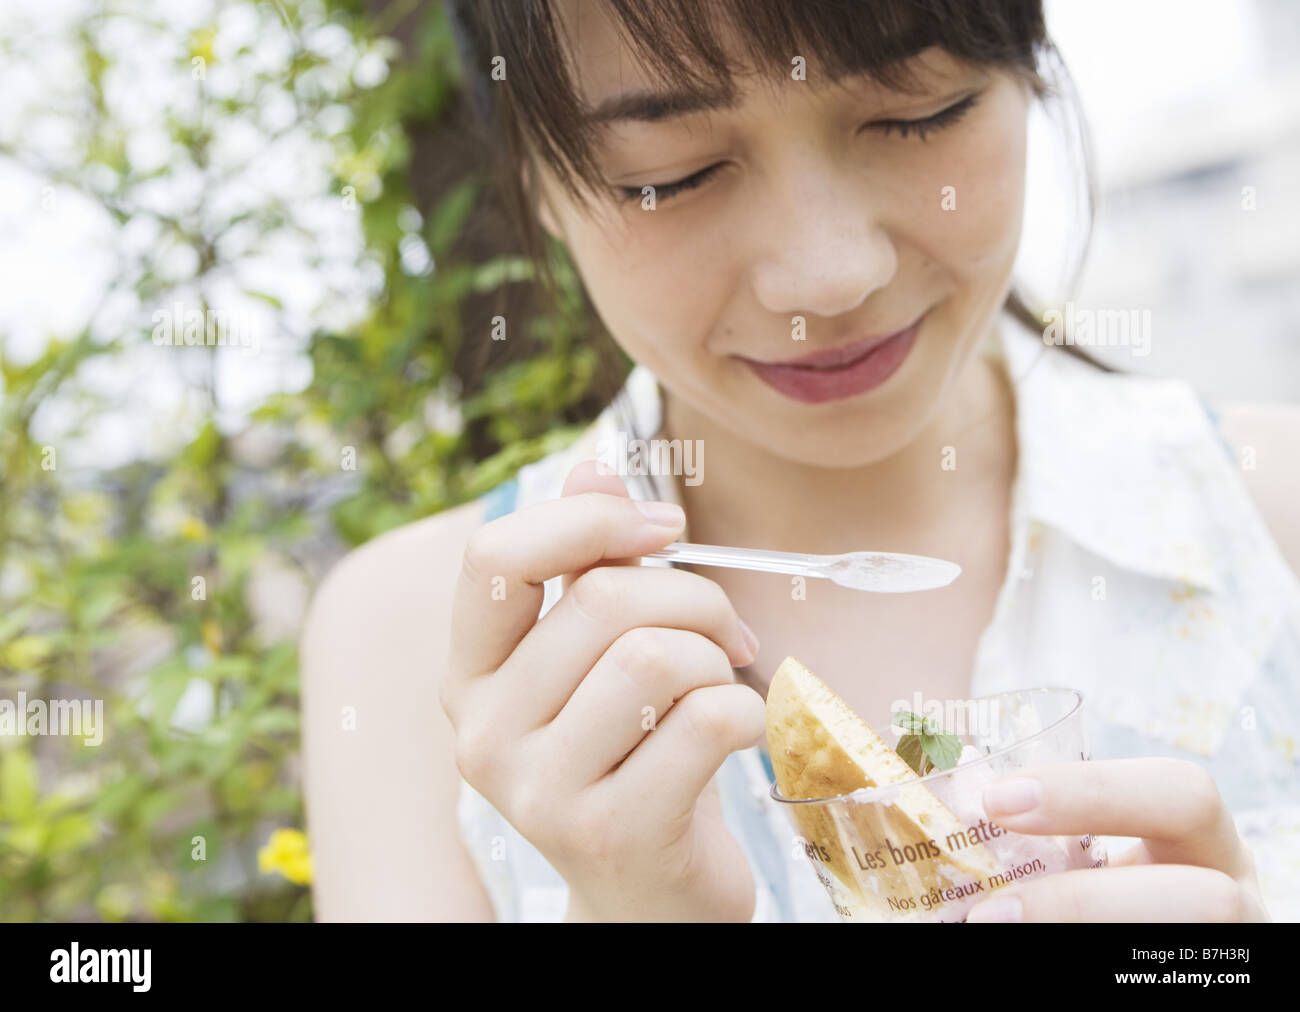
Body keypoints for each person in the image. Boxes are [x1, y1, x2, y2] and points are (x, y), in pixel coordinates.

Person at [299, 0, 1300, 922]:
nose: (828, 274)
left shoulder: (1270, 513)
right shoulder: (411, 645)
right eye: (669, 173)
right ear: (536, 183)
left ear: (1029, 66)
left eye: (919, 114)